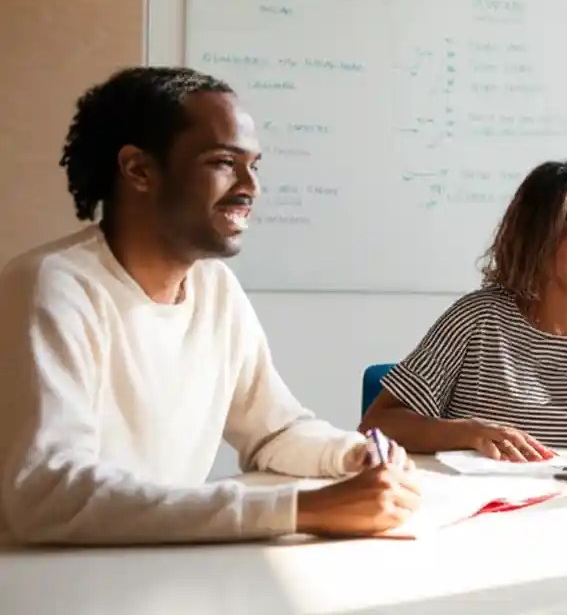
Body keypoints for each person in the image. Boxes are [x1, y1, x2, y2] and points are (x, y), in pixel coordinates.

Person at [0, 67, 422, 544]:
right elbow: (48, 492)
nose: (250, 186)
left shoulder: (214, 287)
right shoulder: (53, 285)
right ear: (138, 169)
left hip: (157, 569)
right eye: (223, 162)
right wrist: (299, 510)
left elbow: (273, 432)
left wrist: (353, 455)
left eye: (254, 165)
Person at [361, 160, 567, 470]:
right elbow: (377, 424)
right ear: (537, 236)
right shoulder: (478, 318)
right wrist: (469, 432)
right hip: (489, 516)